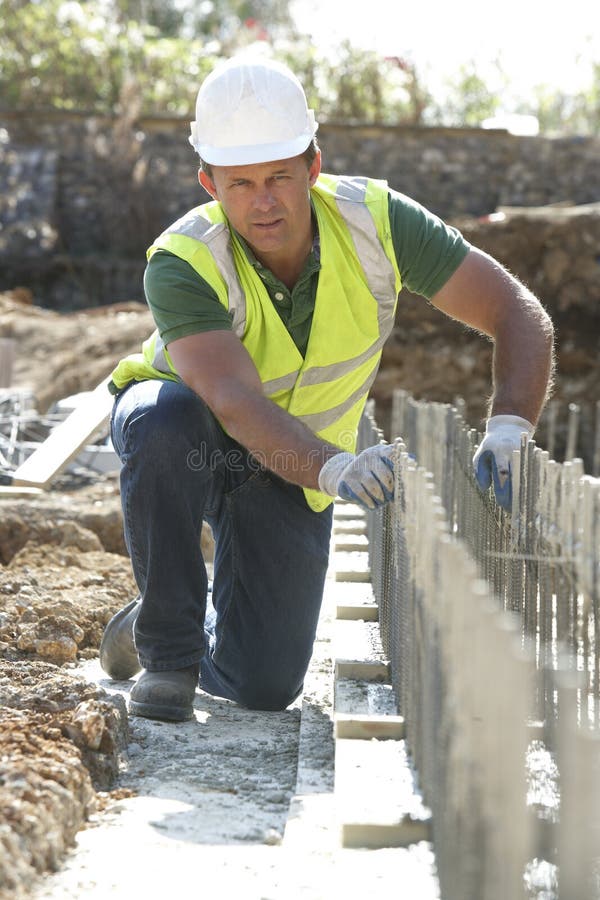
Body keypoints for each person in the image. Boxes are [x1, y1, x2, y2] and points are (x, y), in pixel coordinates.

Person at [99, 56, 554, 722]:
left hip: (292, 466)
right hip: (197, 438)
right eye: (240, 183)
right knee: (164, 421)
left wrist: (512, 423)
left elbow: (516, 311)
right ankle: (168, 652)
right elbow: (232, 400)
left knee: (266, 685)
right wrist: (336, 466)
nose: (262, 202)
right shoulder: (183, 260)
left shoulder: (377, 222)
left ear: (313, 166)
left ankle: (146, 627)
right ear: (209, 183)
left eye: (280, 177)